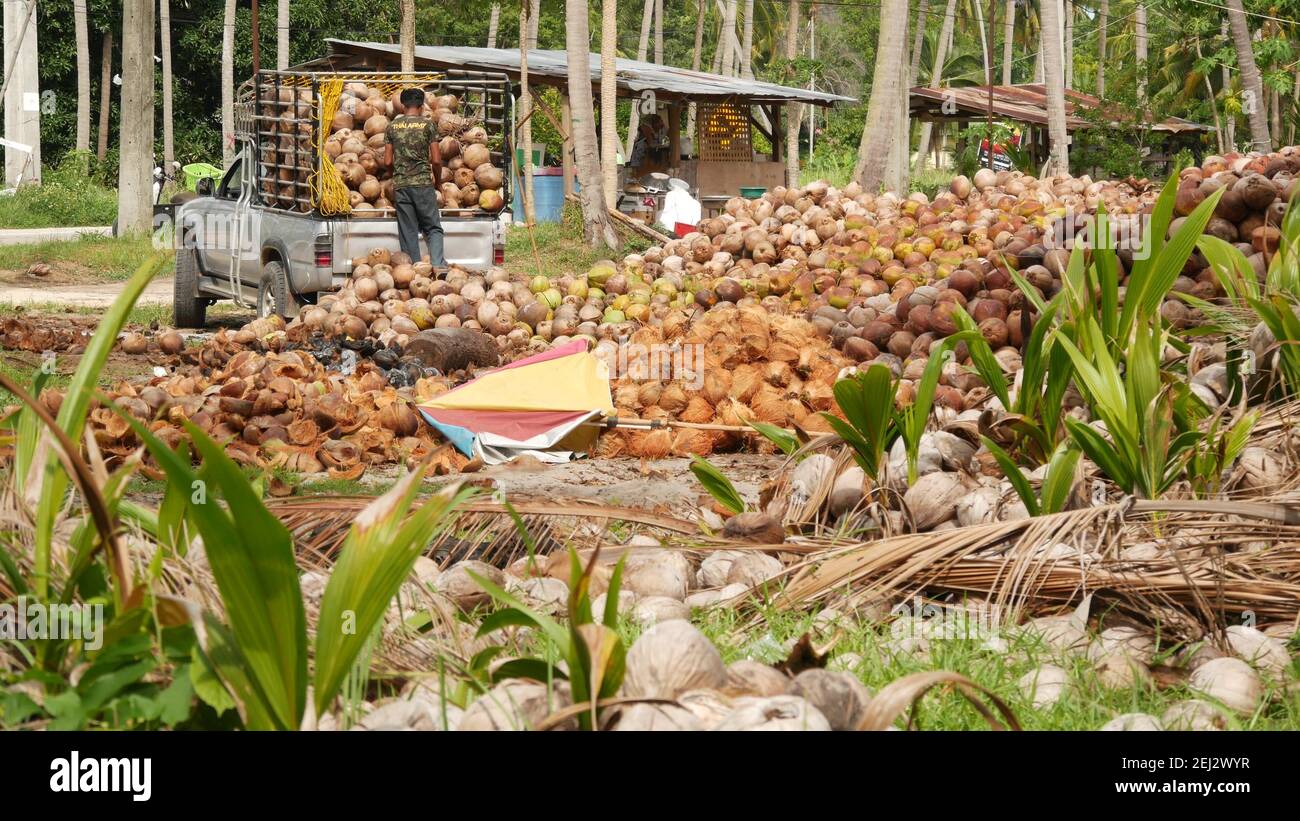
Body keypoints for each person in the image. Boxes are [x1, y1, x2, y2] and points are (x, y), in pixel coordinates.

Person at [384, 88, 446, 272]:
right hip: (423, 185)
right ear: (421, 106)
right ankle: (437, 266)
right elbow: (436, 159)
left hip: (402, 185)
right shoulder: (428, 126)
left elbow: (387, 161)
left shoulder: (392, 127)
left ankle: (415, 270)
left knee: (408, 231)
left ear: (403, 106)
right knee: (433, 228)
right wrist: (438, 181)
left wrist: (395, 173)